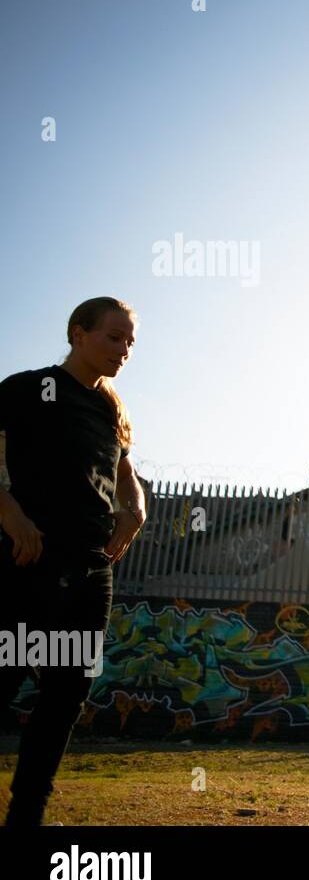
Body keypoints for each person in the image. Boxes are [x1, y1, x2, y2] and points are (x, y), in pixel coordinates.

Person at [0, 297, 146, 826]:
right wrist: (9, 511)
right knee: (6, 676)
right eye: (113, 337)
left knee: (65, 695)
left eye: (130, 341)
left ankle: (27, 814)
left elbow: (125, 464)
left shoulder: (111, 407)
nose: (124, 350)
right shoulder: (28, 389)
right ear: (77, 333)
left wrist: (137, 507)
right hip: (30, 560)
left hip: (91, 570)